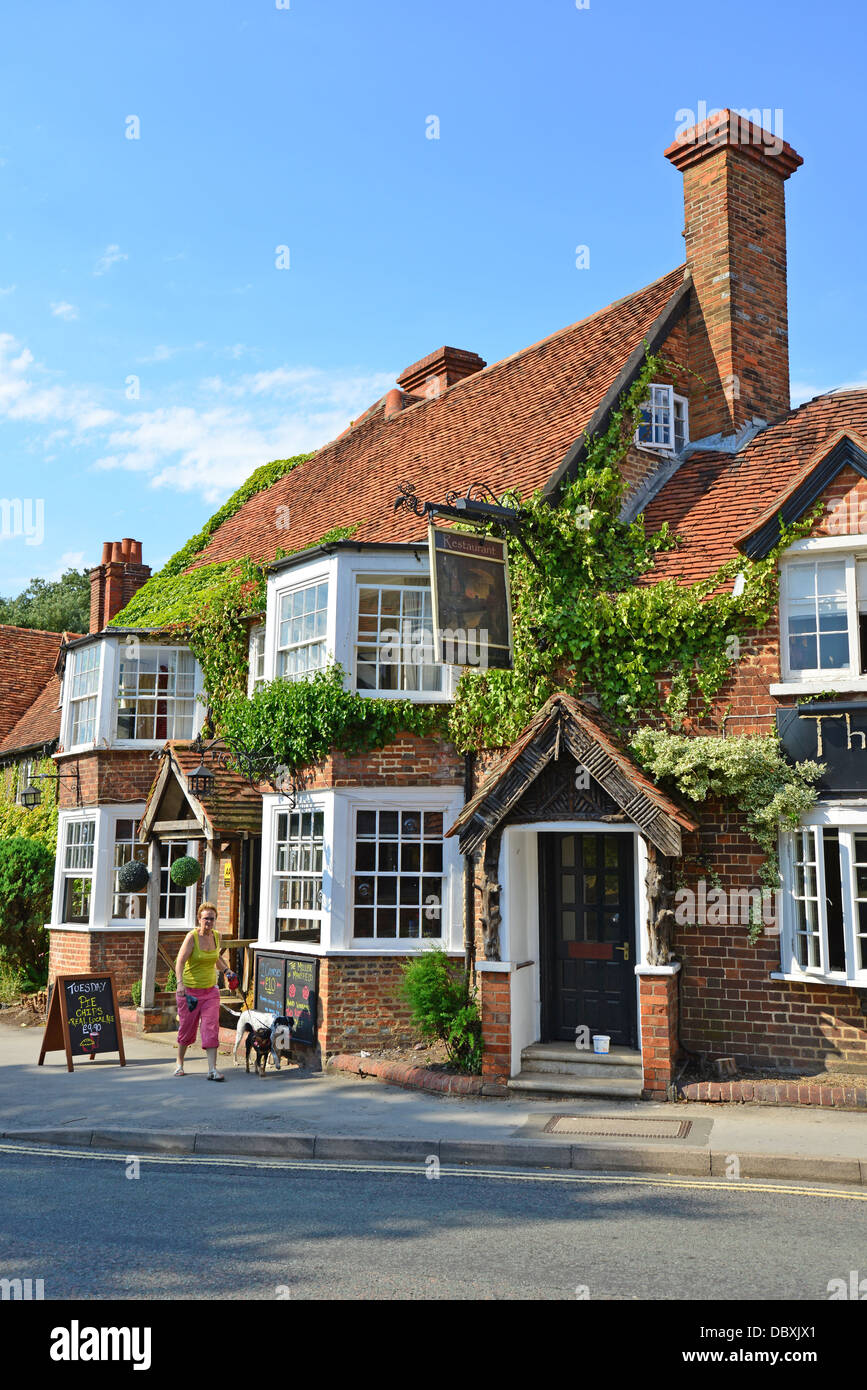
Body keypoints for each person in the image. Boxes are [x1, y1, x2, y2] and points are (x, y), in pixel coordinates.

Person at [174, 901, 231, 1081]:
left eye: (212, 919)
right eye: (205, 918)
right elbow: (180, 962)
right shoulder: (192, 937)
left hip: (210, 992)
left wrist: (227, 971)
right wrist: (180, 983)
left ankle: (212, 1069)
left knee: (211, 1028)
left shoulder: (216, 936)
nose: (209, 922)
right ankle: (179, 1063)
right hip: (190, 992)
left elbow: (217, 958)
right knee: (187, 1029)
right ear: (199, 919)